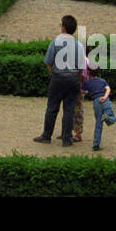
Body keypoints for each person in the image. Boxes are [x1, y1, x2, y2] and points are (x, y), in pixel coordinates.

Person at [34, 15, 84, 147]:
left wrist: (54, 73)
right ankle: (66, 139)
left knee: (52, 108)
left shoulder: (55, 42)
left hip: (58, 78)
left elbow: (48, 62)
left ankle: (46, 136)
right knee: (69, 109)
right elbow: (81, 66)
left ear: (63, 27)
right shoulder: (79, 45)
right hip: (73, 79)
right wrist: (75, 77)